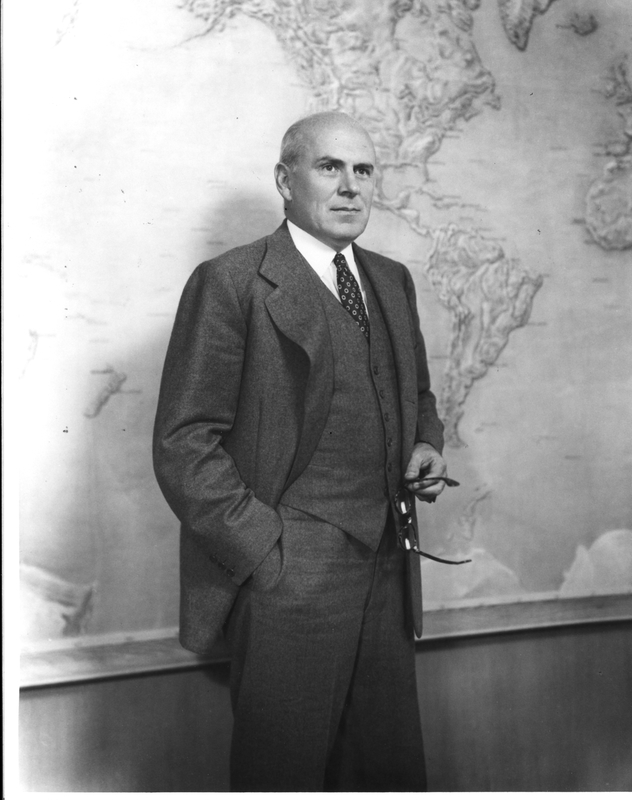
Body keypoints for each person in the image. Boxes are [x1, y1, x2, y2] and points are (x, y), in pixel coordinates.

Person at [153, 111, 454, 791]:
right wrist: (265, 550)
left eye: (364, 170)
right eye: (329, 167)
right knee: (283, 775)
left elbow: (417, 394)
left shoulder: (391, 279)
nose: (350, 187)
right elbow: (183, 442)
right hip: (288, 575)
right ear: (285, 180)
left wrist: (425, 443)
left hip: (386, 570)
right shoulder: (231, 282)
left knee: (387, 773)